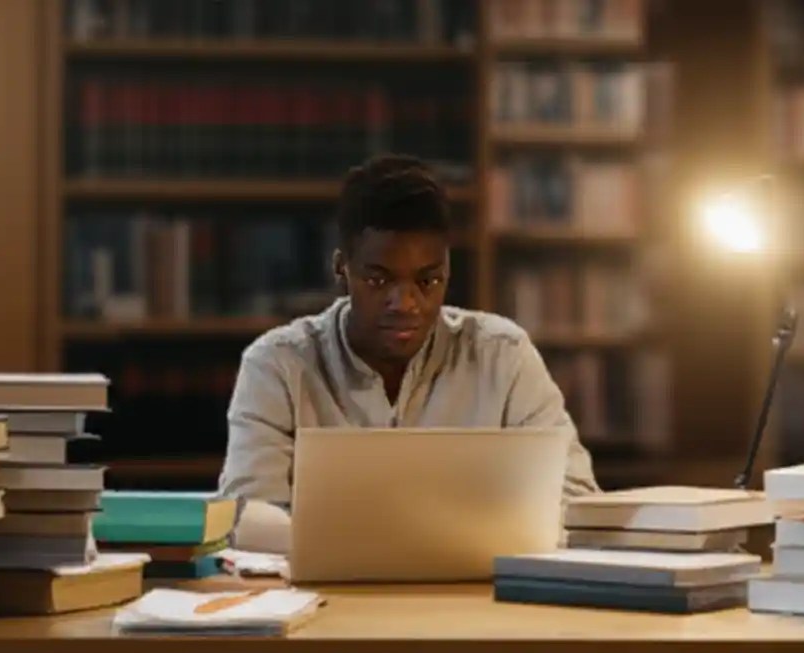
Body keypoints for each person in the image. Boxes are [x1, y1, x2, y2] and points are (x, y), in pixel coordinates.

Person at [219, 154, 598, 552]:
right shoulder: (277, 365)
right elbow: (246, 518)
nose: (405, 303)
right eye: (378, 279)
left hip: (472, 599)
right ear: (341, 269)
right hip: (328, 600)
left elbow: (574, 497)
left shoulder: (502, 357)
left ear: (448, 269)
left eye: (428, 280)